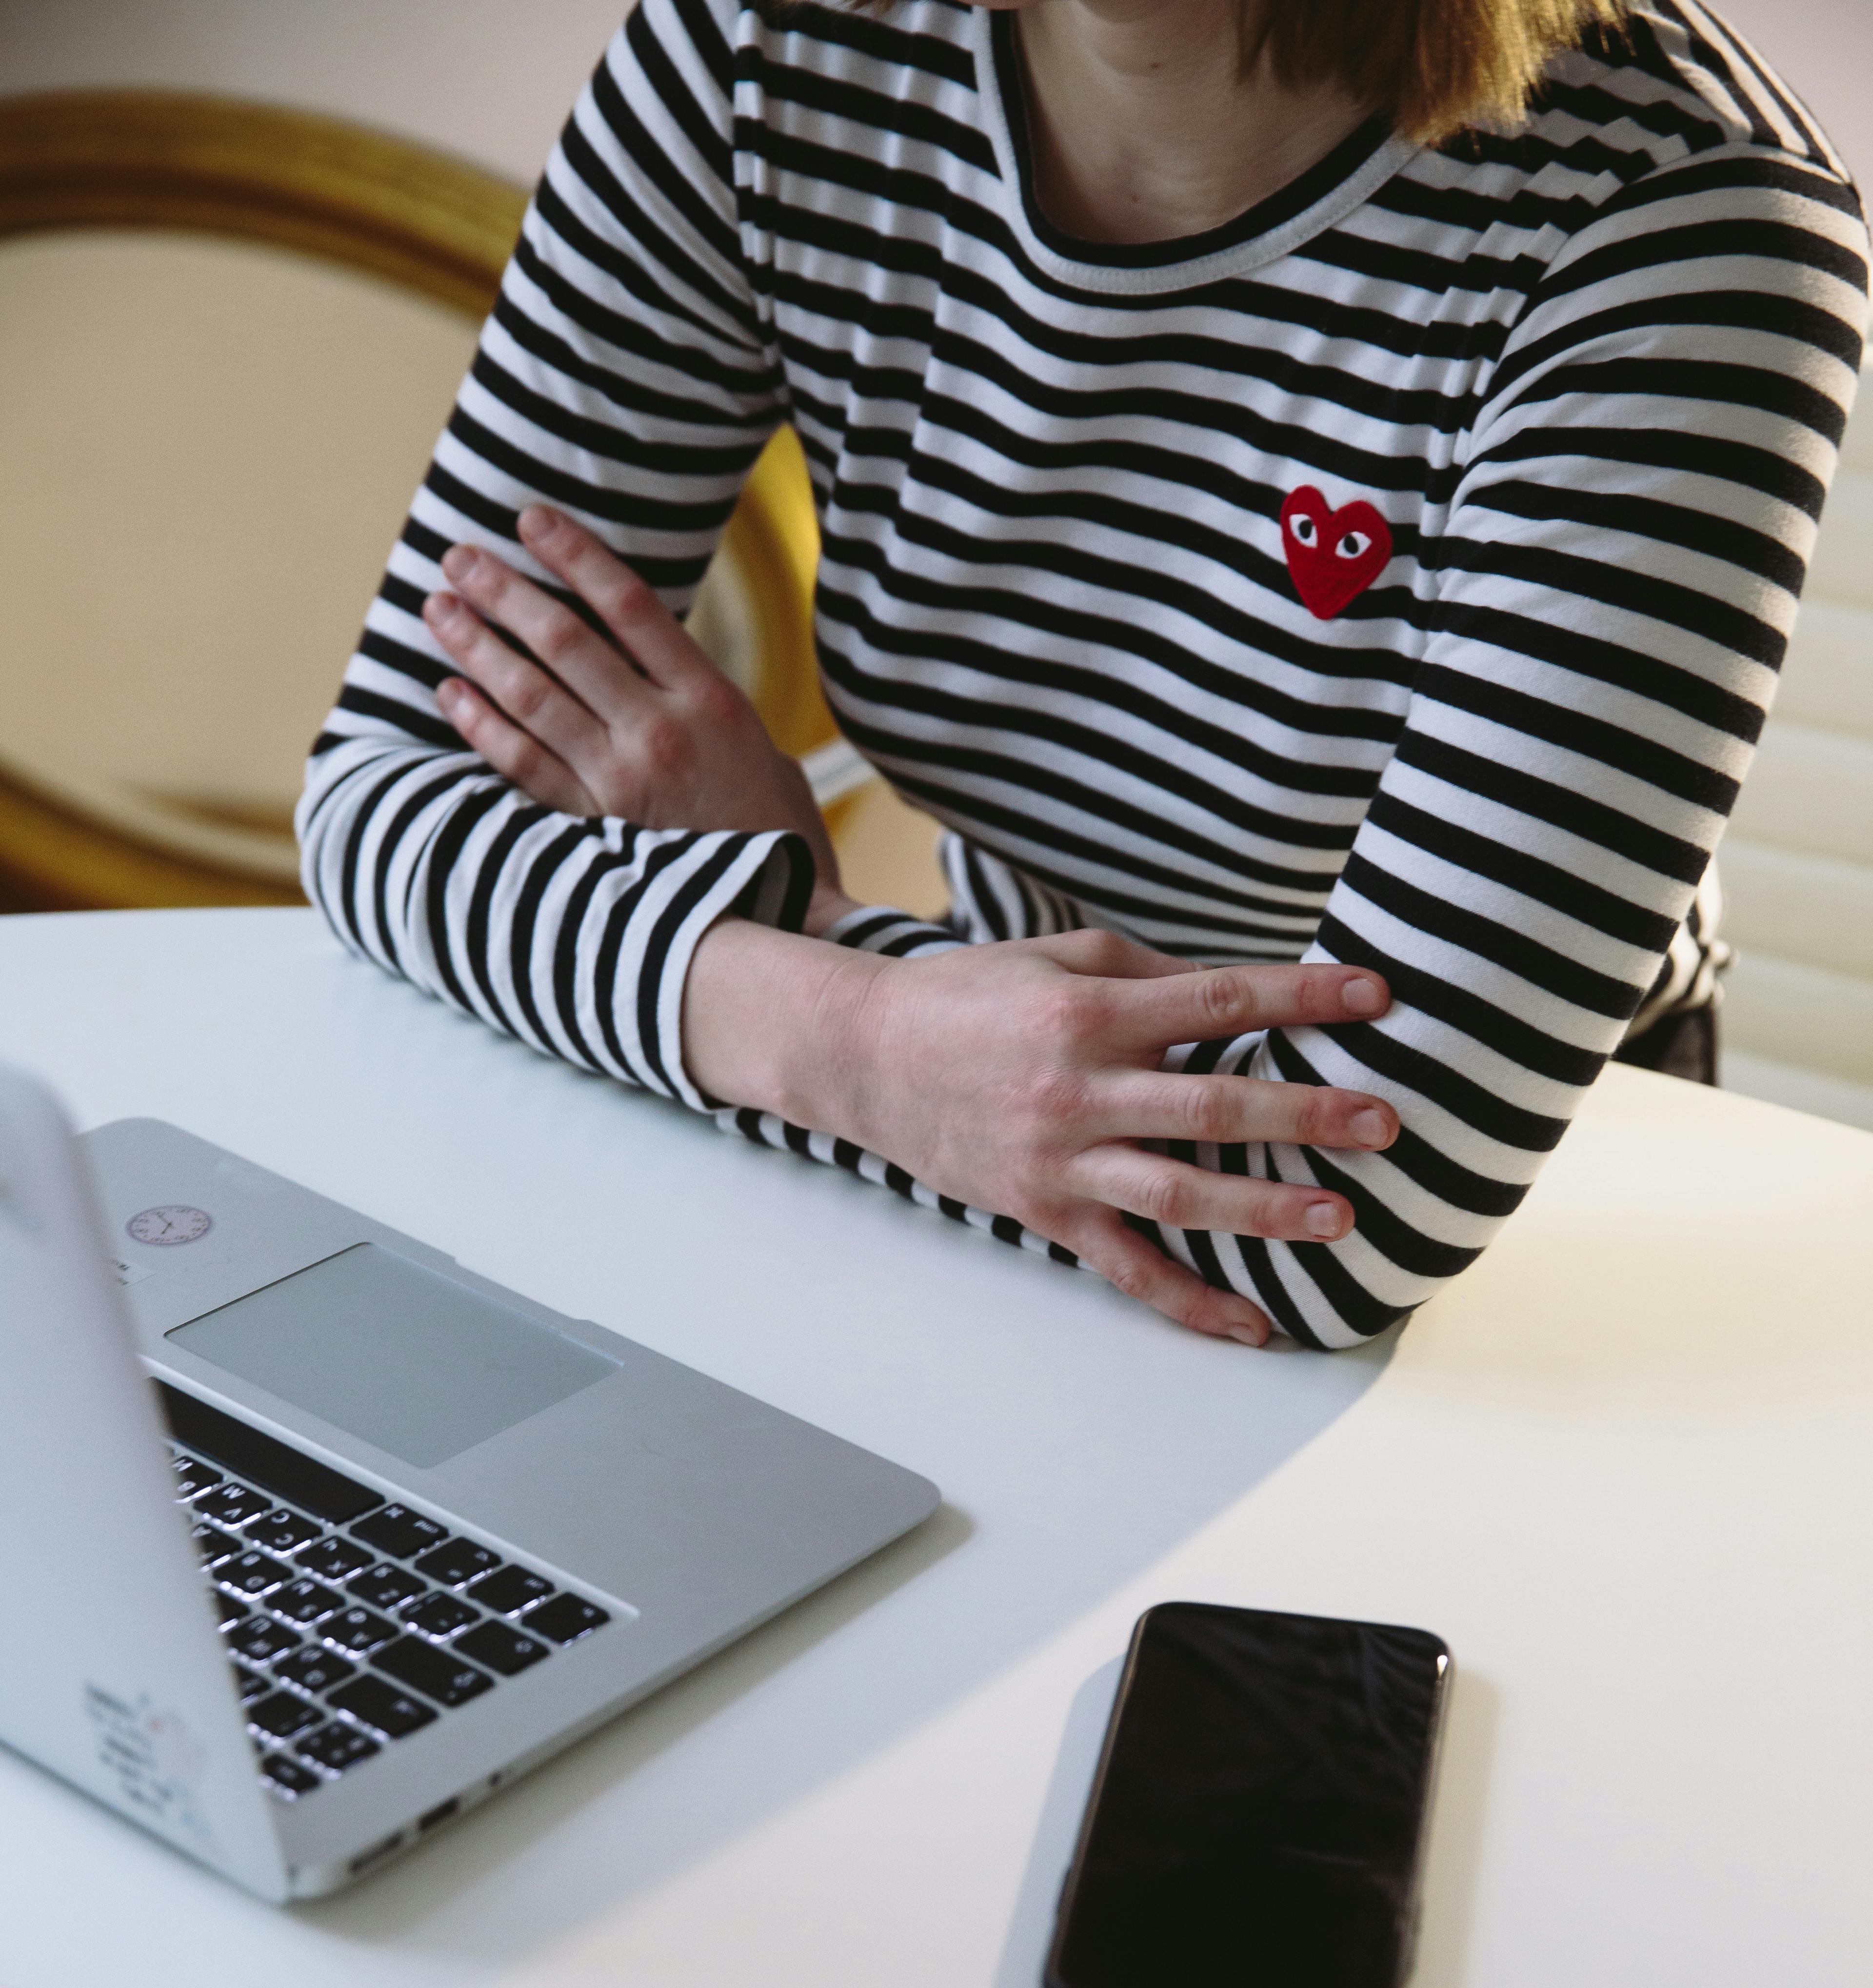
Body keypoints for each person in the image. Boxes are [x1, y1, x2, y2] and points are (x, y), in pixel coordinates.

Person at [299, 0, 1867, 1349]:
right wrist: (854, 1038)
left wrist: (800, 939)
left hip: (1535, 1242)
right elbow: (379, 799)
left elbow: (1348, 1216)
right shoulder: (759, 54)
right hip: (997, 1161)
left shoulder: (1688, 227)